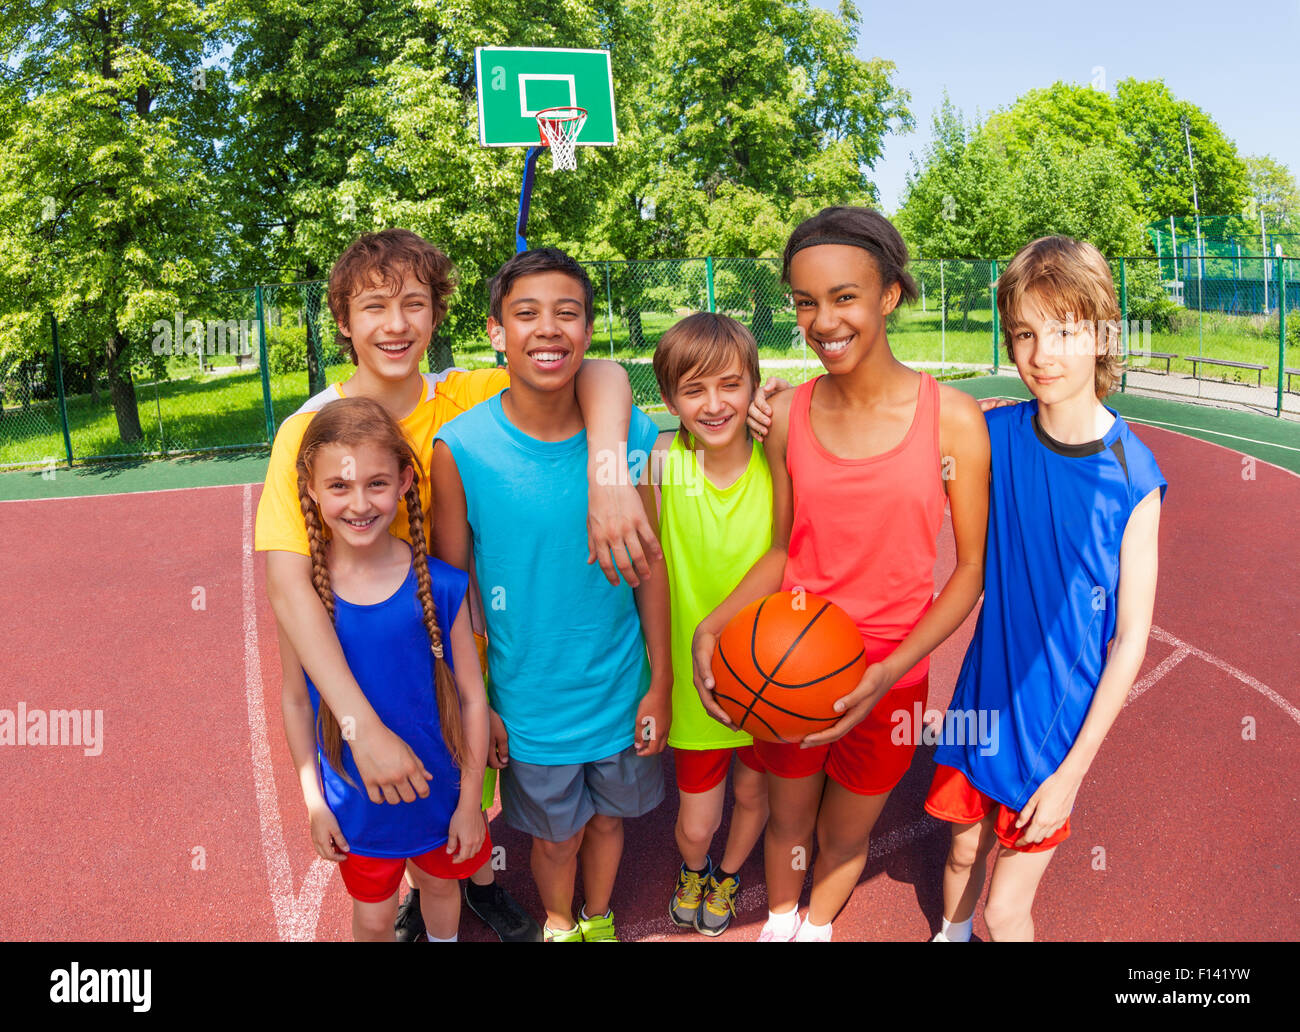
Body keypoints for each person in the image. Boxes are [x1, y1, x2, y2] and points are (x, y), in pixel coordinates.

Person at [256, 228, 658, 941]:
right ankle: (427, 885)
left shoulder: (466, 392)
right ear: (344, 322)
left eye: (415, 303)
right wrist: (359, 726)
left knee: (461, 784)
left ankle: (473, 880)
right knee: (393, 781)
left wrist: (608, 474)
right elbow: (289, 593)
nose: (397, 324)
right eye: (374, 306)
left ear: (439, 314)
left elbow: (598, 373)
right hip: (371, 652)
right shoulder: (307, 430)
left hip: (460, 636)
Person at [692, 206, 991, 941]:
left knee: (843, 835)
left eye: (844, 296)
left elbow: (969, 574)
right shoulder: (788, 415)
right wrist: (711, 624)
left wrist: (889, 673)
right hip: (787, 661)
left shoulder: (952, 419)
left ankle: (818, 927)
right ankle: (781, 921)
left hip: (890, 680)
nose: (822, 320)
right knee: (786, 822)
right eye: (804, 302)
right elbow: (781, 550)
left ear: (889, 295)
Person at [924, 236, 1165, 942]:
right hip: (980, 702)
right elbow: (889, 420)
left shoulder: (1132, 475)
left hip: (1054, 735)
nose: (1041, 353)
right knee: (963, 846)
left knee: (1009, 909)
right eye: (1024, 333)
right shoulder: (993, 435)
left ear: (1102, 335)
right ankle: (949, 933)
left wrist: (1072, 774)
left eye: (1063, 330)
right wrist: (781, 405)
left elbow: (1130, 640)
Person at [431, 247, 671, 942]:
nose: (548, 328)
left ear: (589, 333)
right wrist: (480, 706)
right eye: (526, 313)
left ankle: (598, 919)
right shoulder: (461, 449)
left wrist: (660, 681)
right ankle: (560, 923)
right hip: (529, 702)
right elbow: (454, 594)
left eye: (568, 313)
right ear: (494, 331)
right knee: (556, 837)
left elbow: (649, 568)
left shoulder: (630, 436)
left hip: (620, 687)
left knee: (608, 822)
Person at [280, 396, 489, 941]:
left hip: (441, 797)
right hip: (357, 807)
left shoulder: (442, 585)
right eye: (339, 486)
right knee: (374, 918)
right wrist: (312, 802)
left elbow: (472, 697)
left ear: (404, 483)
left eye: (376, 483)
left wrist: (471, 802)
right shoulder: (302, 599)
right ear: (310, 488)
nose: (359, 503)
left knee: (441, 890)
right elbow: (298, 700)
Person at [650, 313, 770, 936]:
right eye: (693, 390)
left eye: (731, 385)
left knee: (754, 798)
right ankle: (693, 867)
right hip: (697, 687)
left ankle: (726, 876)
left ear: (755, 386)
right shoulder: (663, 460)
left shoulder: (778, 460)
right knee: (696, 821)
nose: (714, 403)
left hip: (776, 676)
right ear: (669, 399)